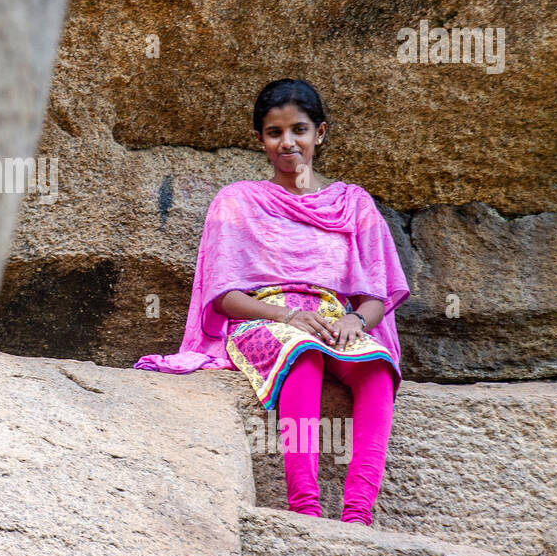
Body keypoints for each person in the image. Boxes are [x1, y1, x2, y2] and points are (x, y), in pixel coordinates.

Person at [134, 78, 411, 526]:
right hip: (265, 319)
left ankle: (358, 515)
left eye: (299, 130)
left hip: (336, 319)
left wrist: (356, 321)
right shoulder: (239, 201)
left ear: (320, 133)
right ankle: (305, 508)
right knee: (300, 357)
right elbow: (224, 296)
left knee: (378, 367)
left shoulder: (354, 204)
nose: (288, 143)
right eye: (274, 132)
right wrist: (288, 316)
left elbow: (377, 295)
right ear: (260, 139)